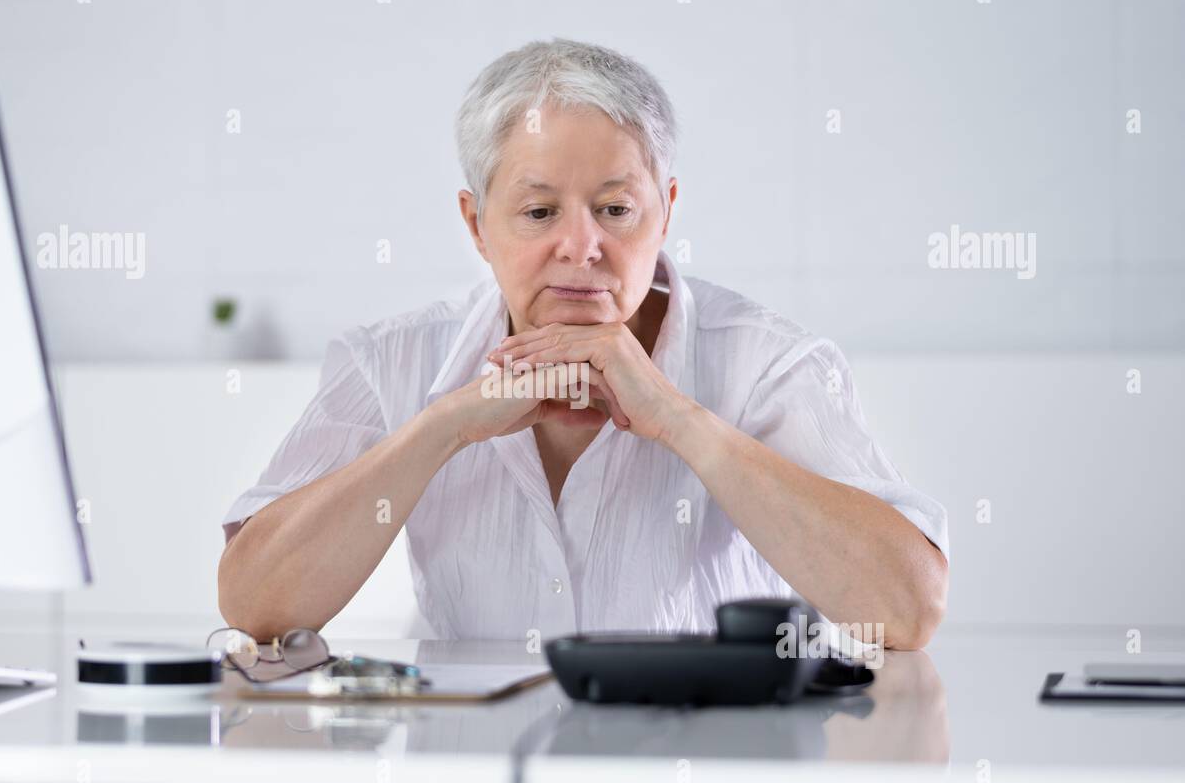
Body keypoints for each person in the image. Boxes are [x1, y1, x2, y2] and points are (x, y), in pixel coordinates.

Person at [218, 38, 949, 648]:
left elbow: (906, 609)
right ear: (476, 225)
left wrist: (679, 420)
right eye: (538, 211)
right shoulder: (390, 361)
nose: (582, 246)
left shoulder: (768, 363)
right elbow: (256, 606)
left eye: (615, 209)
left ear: (665, 211)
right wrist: (446, 425)